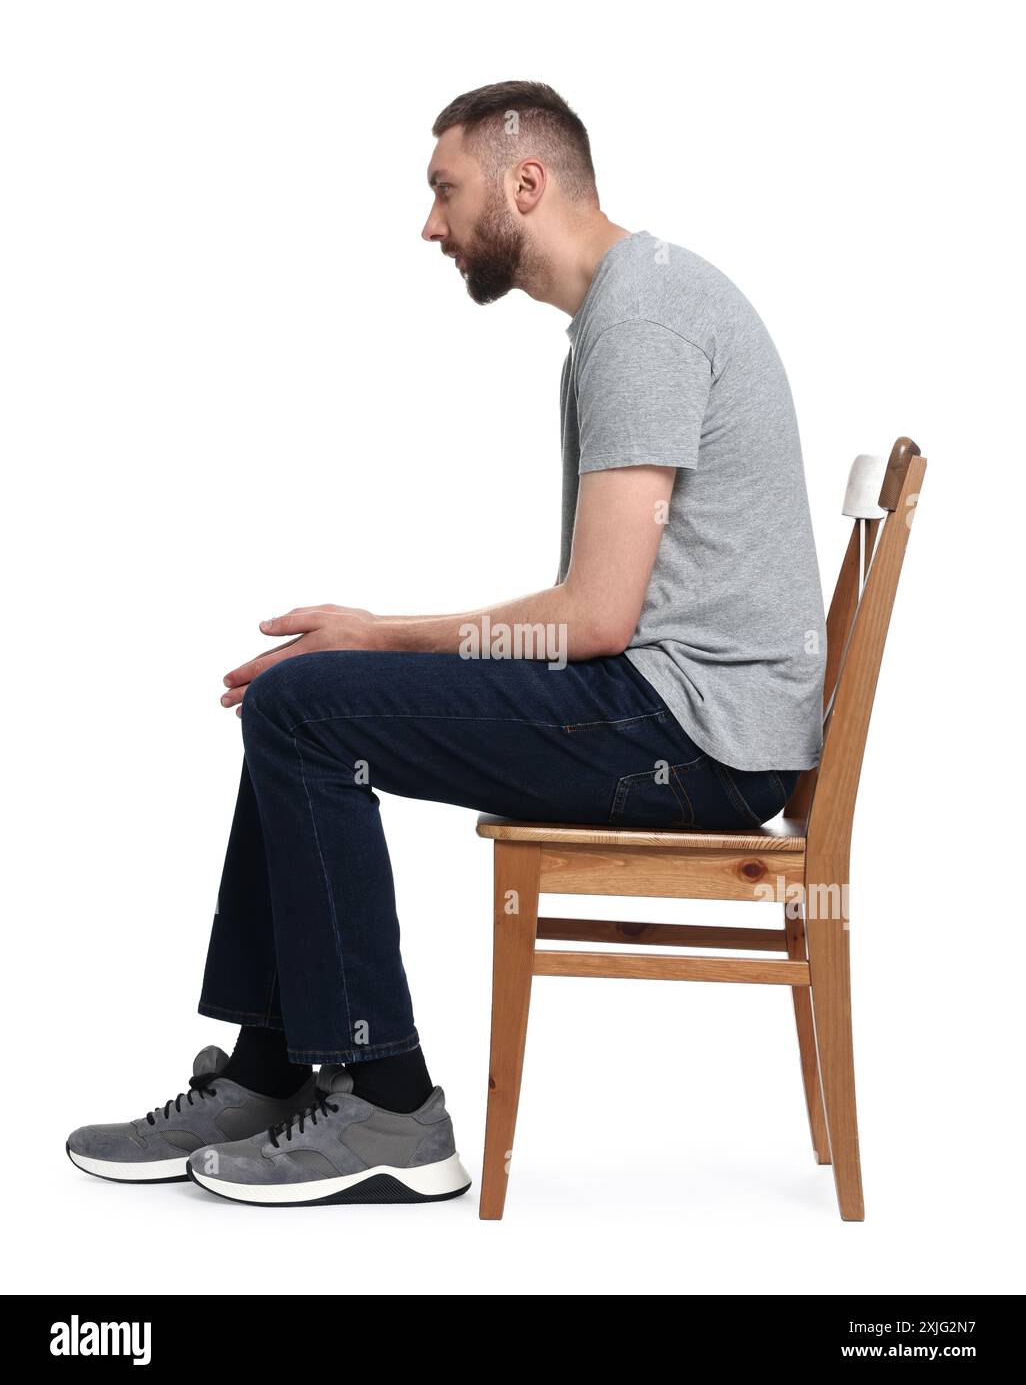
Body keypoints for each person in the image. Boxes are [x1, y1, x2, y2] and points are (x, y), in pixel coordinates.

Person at [66, 80, 826, 1208]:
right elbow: (598, 617)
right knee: (309, 693)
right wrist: (370, 649)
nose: (430, 224)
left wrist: (381, 634)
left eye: (443, 189)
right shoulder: (628, 312)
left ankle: (390, 1103)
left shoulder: (644, 324)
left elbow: (595, 618)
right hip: (683, 712)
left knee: (307, 702)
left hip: (697, 740)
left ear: (526, 184)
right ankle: (276, 1071)